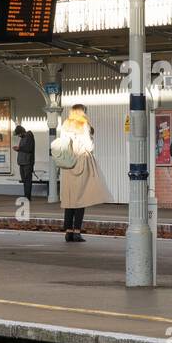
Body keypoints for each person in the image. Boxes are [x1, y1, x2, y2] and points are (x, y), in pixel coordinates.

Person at [53, 104, 110, 242]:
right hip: (81, 163)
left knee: (69, 199)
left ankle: (68, 232)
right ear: (81, 112)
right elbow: (89, 146)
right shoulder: (83, 125)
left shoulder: (65, 125)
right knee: (80, 198)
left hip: (67, 164)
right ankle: (77, 231)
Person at [13, 125, 36, 200]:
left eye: (19, 134)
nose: (19, 136)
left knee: (27, 180)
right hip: (22, 162)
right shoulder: (23, 138)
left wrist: (19, 148)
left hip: (27, 162)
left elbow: (29, 148)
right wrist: (19, 148)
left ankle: (28, 196)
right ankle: (26, 195)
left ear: (22, 132)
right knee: (24, 179)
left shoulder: (29, 136)